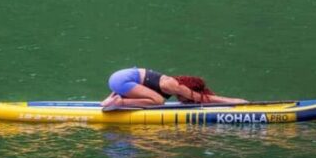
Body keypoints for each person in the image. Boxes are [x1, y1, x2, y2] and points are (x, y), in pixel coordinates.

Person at [101, 67, 248, 107]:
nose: (185, 98)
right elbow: (201, 97)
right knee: (159, 101)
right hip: (122, 80)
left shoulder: (168, 82)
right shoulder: (175, 85)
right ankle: (120, 102)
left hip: (119, 79)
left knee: (151, 97)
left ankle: (110, 100)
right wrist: (234, 101)